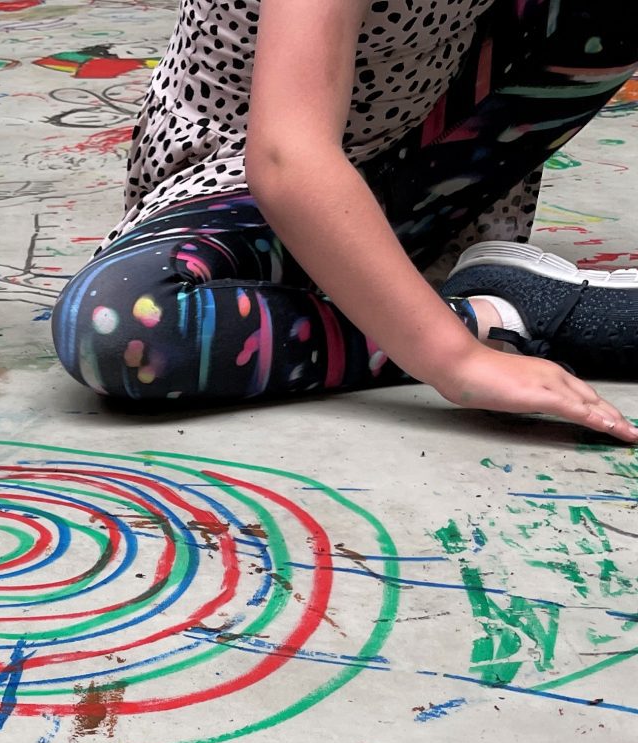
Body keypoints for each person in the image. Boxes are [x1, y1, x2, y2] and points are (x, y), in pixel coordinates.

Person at [51, 0, 638, 443]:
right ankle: (496, 315)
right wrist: (457, 357)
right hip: (240, 190)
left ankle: (411, 301)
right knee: (120, 331)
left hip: (415, 167)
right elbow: (285, 161)